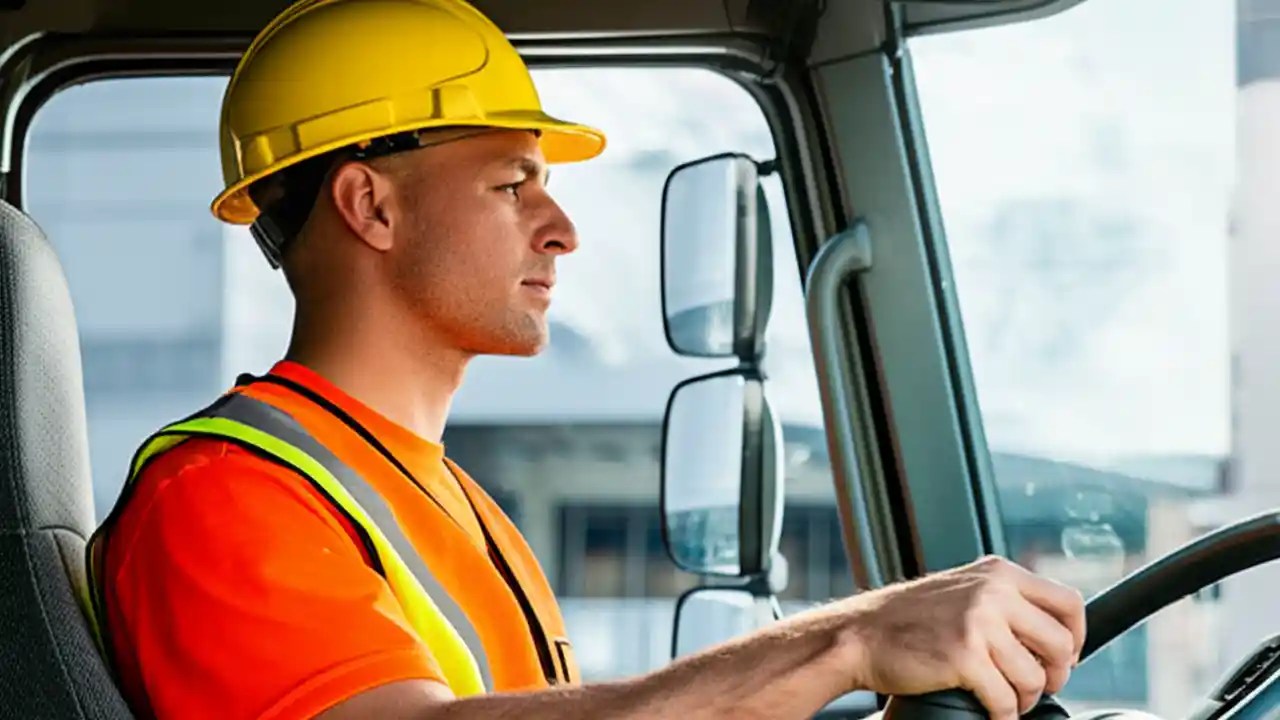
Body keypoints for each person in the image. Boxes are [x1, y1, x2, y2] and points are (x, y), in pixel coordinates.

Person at [83, 0, 1086, 719]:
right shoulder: (220, 501)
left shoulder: (446, 506)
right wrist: (852, 641)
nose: (560, 229)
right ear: (368, 206)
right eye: (513, 185)